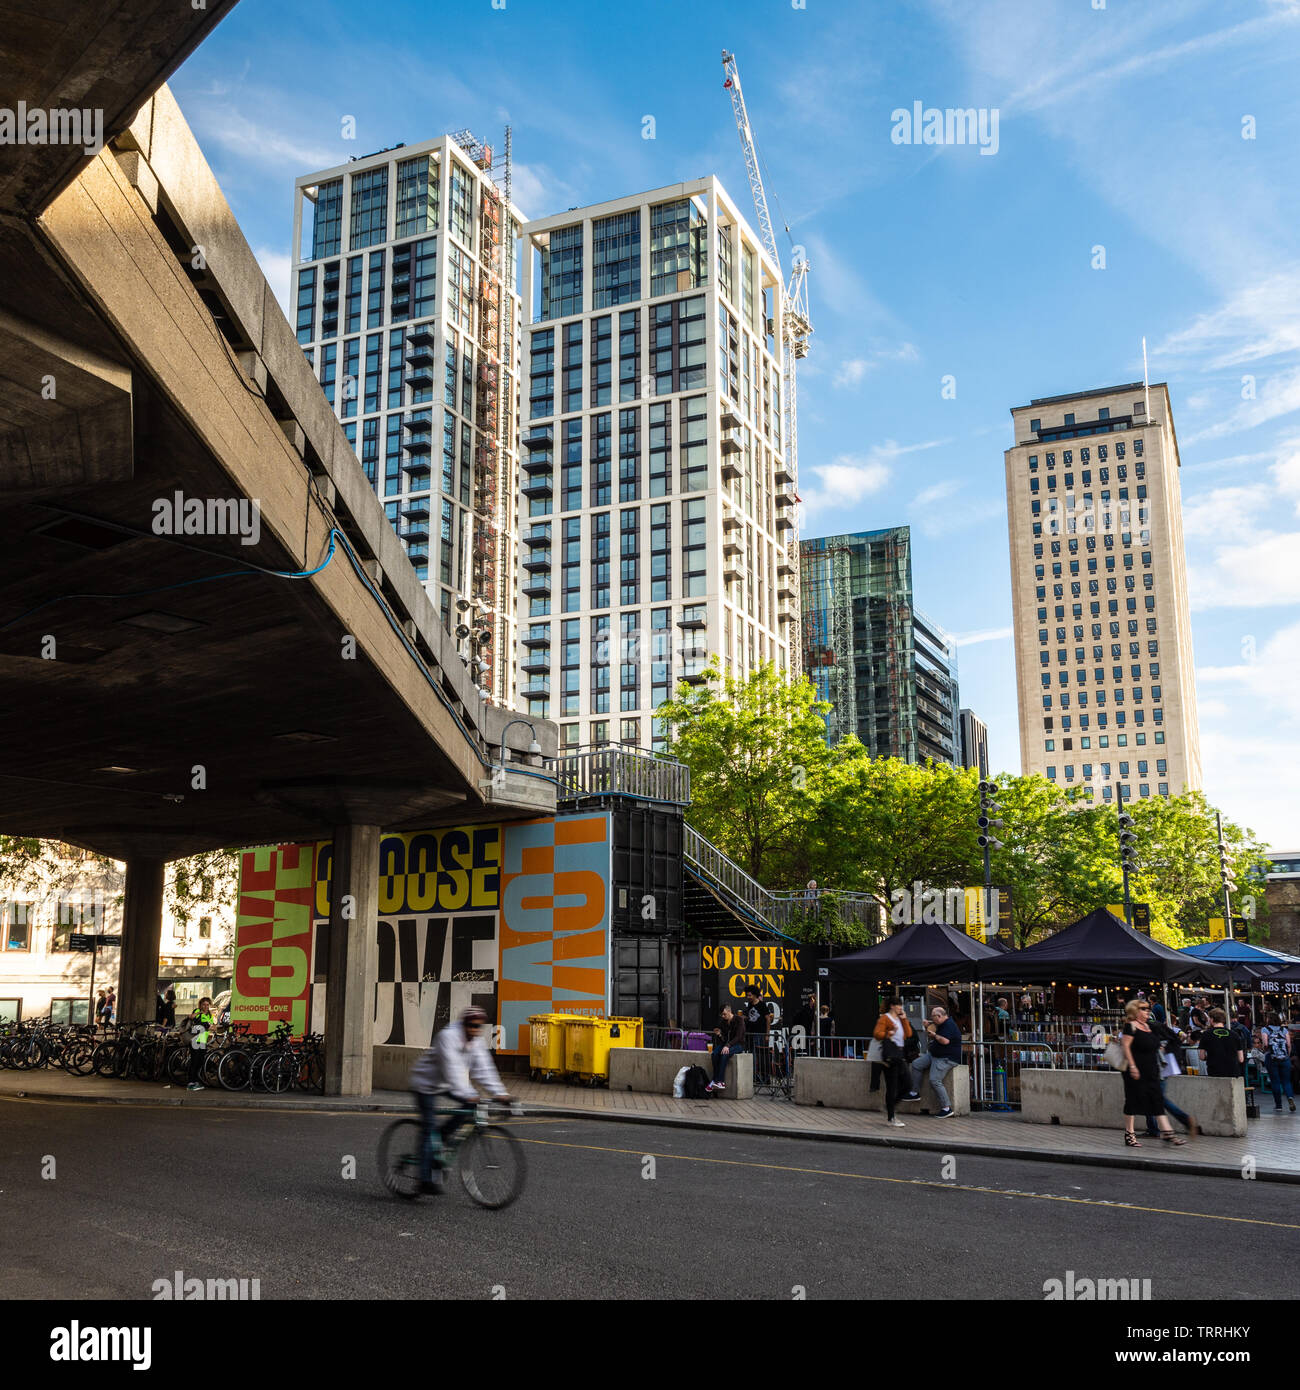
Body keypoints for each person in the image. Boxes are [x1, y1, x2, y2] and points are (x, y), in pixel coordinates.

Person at [408, 1006, 511, 1195]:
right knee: (429, 1126)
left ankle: (442, 1136)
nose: (475, 1030)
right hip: (426, 1083)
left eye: (479, 1027)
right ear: (463, 1024)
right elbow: (453, 1070)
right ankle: (424, 1179)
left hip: (448, 1084)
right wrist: (468, 1093)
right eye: (471, 1026)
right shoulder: (447, 1037)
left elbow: (484, 1069)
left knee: (471, 1104)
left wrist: (500, 1094)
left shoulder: (476, 1041)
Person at [1121, 999, 1186, 1147]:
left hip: (1152, 1070)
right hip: (1136, 1069)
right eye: (1143, 1009)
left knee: (1157, 1100)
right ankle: (1129, 1134)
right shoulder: (1130, 1026)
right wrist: (1132, 1066)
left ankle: (1168, 1133)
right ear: (1134, 1011)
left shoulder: (1149, 1027)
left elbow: (1159, 1043)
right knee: (1132, 1101)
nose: (1147, 1011)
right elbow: (1125, 1047)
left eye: (1148, 1008)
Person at [1143, 1013, 1197, 1139]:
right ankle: (1158, 1129)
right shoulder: (1160, 1026)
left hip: (1157, 1067)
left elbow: (1156, 1047)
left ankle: (1182, 1120)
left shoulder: (1148, 1028)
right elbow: (1177, 1039)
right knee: (1154, 1098)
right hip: (1165, 1065)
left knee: (1158, 1099)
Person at [902, 1006, 962, 1117]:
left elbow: (945, 1041)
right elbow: (933, 1032)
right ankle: (915, 1092)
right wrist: (927, 1027)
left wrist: (934, 1035)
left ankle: (946, 1108)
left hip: (946, 1058)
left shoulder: (949, 1025)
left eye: (933, 1017)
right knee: (916, 1064)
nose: (932, 1019)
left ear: (939, 1016)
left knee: (934, 1080)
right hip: (934, 1055)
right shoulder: (941, 1024)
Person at [872, 998, 913, 1128]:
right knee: (892, 1086)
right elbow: (877, 1033)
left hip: (899, 1055)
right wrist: (888, 1033)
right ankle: (891, 1117)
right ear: (892, 1006)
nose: (901, 1007)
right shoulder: (885, 1018)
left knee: (908, 1084)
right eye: (898, 1005)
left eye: (901, 1005)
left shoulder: (900, 1019)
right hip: (890, 1055)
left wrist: (905, 1019)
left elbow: (908, 1034)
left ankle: (891, 1105)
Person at [1261, 1011, 1295, 1114]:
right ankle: (1290, 1097)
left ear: (1268, 1019)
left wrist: (1265, 1050)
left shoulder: (1265, 1029)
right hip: (1284, 1058)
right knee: (1286, 1081)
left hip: (1271, 1058)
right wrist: (1287, 1056)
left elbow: (1265, 1044)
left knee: (1275, 1081)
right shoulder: (1284, 1030)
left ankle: (1279, 1105)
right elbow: (1289, 1044)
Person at [707, 1004, 745, 1093]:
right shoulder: (723, 1022)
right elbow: (723, 1039)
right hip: (726, 1044)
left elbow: (739, 1036)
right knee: (714, 1054)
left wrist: (728, 1045)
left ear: (729, 1011)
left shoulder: (739, 1020)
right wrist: (719, 1034)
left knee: (725, 1054)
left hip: (738, 1044)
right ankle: (715, 1080)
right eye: (722, 1015)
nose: (723, 1016)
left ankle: (720, 1081)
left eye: (724, 1014)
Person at [1198, 1008, 1244, 1078]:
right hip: (1233, 1071)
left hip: (1215, 1071)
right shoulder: (1235, 1034)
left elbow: (1201, 1057)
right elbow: (1241, 1059)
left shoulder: (1206, 1034)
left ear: (1212, 1019)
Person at [742, 985, 772, 1082]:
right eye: (747, 995)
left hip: (760, 1034)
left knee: (760, 1056)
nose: (748, 997)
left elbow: (768, 1019)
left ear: (755, 995)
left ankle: (763, 1077)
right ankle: (755, 1076)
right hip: (751, 1034)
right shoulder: (750, 1005)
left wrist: (767, 1035)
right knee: (752, 1055)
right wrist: (743, 1018)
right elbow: (750, 1018)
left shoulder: (762, 1005)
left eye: (750, 995)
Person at [186, 996, 213, 1092]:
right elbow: (191, 1017)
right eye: (204, 1004)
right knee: (194, 1061)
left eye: (207, 1005)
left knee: (200, 1062)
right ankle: (190, 1083)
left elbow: (210, 1026)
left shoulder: (209, 1015)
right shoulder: (198, 1011)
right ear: (200, 1005)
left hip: (203, 1040)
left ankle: (195, 1081)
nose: (206, 1006)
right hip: (195, 1040)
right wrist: (199, 1012)